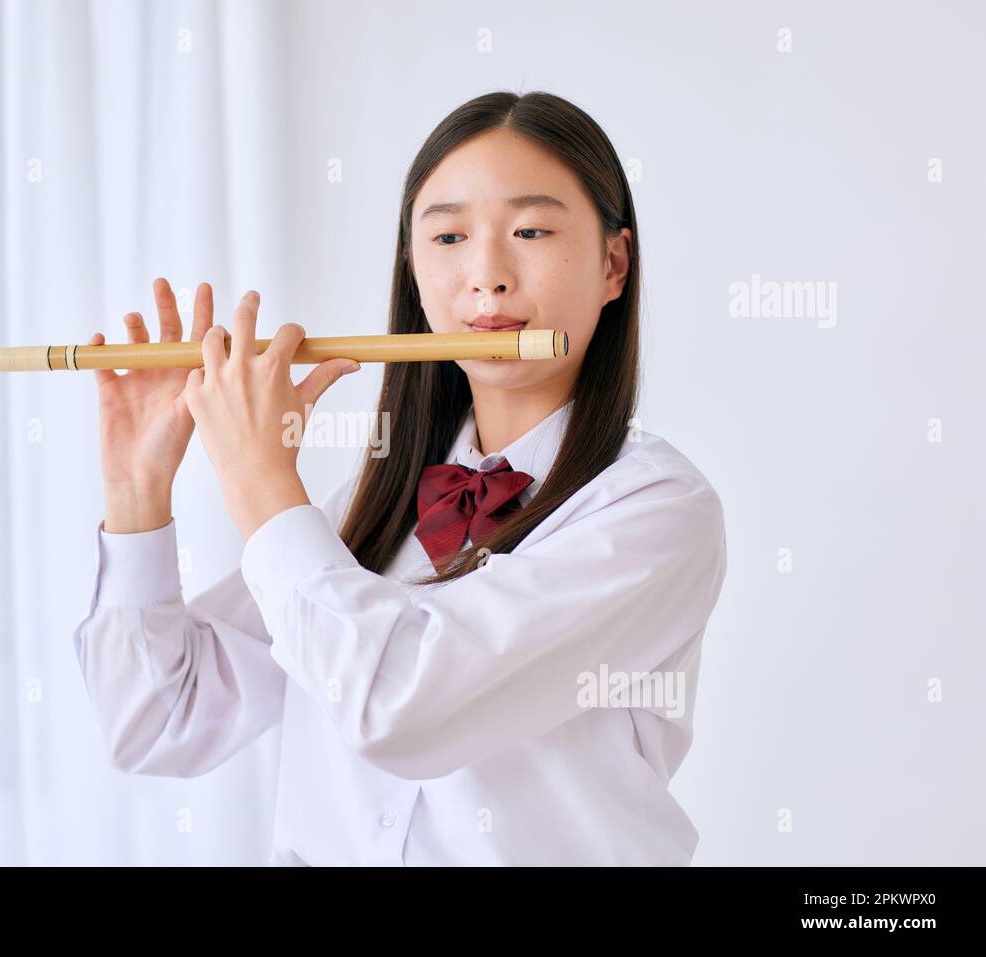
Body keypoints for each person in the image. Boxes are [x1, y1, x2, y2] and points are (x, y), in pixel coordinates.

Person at [73, 90, 728, 866]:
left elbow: (404, 705)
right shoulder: (371, 504)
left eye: (530, 230)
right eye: (447, 235)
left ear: (613, 263)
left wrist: (257, 477)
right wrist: (137, 491)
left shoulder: (655, 509)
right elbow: (156, 718)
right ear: (414, 271)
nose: (485, 276)